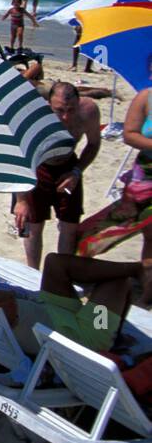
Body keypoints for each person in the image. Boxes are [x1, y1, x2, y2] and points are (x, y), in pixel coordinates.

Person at [0, 252, 141, 357]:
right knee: (117, 282)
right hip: (87, 335)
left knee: (54, 263)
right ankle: (112, 334)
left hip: (54, 313)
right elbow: (7, 300)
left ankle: (137, 268)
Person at [79, 56, 152, 305]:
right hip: (145, 180)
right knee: (121, 225)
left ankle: (148, 293)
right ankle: (80, 261)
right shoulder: (145, 98)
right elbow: (130, 135)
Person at [15, 82, 103, 270]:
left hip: (69, 166)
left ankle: (62, 274)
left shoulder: (88, 112)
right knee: (33, 226)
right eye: (59, 110)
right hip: (37, 166)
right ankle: (33, 273)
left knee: (69, 226)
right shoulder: (34, 116)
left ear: (79, 103)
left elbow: (94, 143)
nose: (65, 116)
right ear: (48, 105)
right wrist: (20, 200)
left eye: (71, 110)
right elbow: (19, 154)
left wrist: (77, 171)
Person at [72, 0, 119, 72]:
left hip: (86, 9)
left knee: (79, 36)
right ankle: (87, 67)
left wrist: (77, 3)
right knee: (93, 38)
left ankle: (74, 65)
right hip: (100, 11)